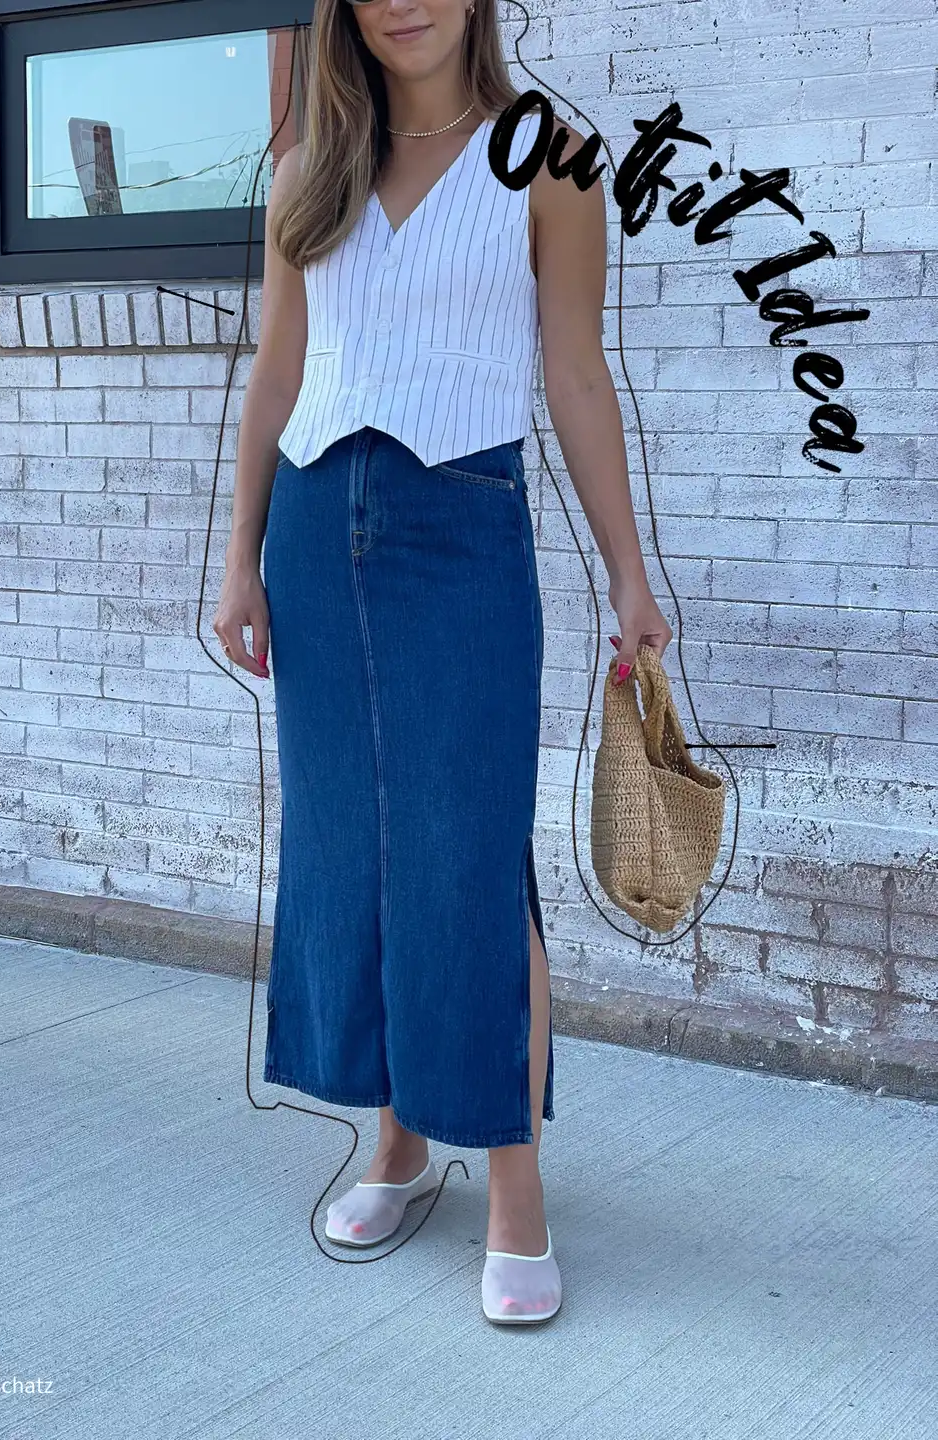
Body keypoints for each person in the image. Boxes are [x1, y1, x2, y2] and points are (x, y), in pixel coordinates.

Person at [213, 0, 672, 1326]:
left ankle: (514, 1188)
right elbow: (277, 364)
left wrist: (632, 572)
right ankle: (399, 1144)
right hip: (313, 529)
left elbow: (578, 375)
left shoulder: (552, 161)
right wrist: (237, 557)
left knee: (467, 859)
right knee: (352, 853)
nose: (400, 2)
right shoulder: (312, 161)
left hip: (459, 529)